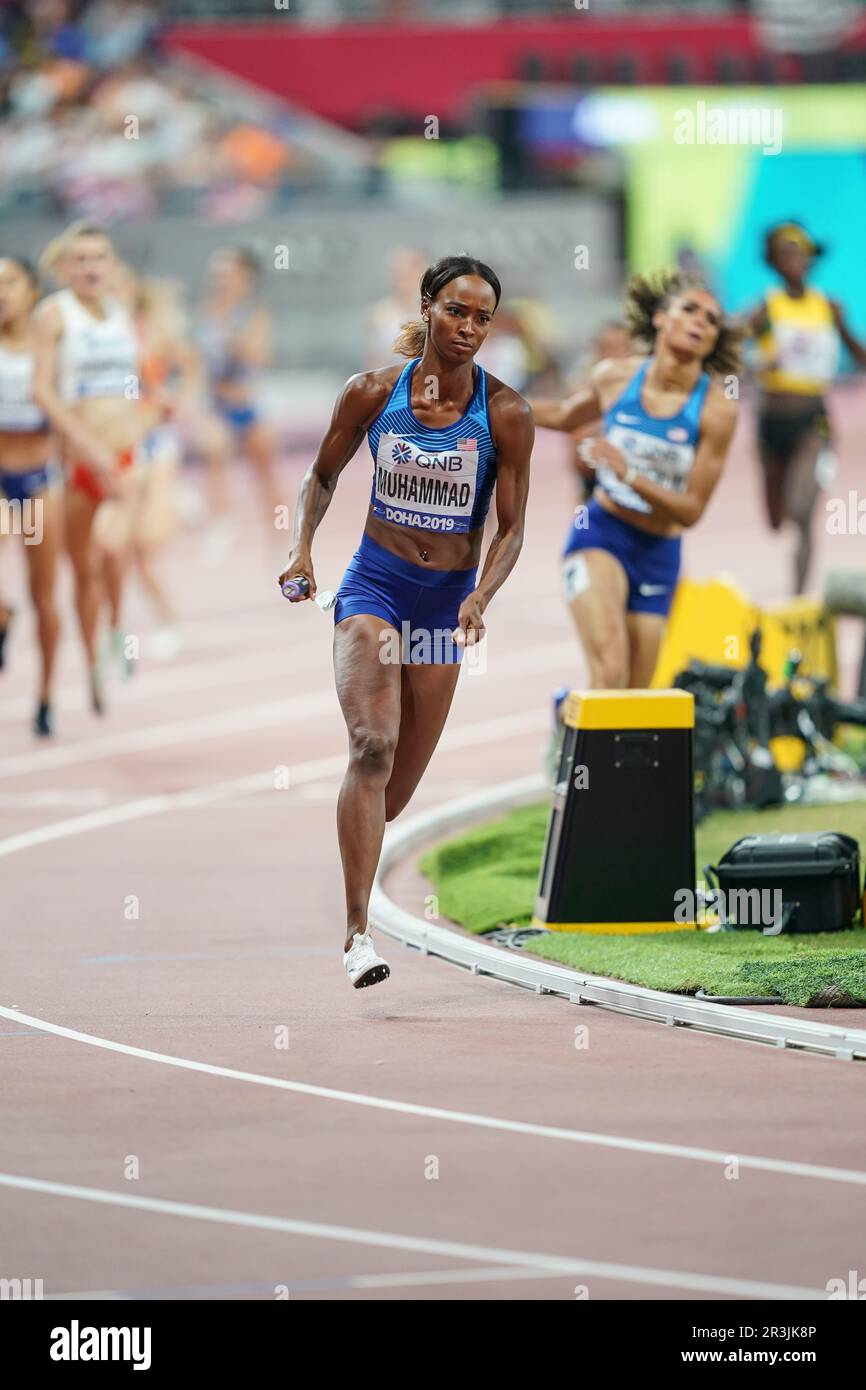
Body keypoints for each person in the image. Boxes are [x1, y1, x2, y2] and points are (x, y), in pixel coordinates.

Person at [279, 254, 533, 989]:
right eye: (457, 311)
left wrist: (482, 594)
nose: (469, 328)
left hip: (443, 606)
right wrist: (301, 549)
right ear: (427, 307)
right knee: (369, 747)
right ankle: (357, 934)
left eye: (483, 317)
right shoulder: (370, 394)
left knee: (393, 794)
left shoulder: (506, 412)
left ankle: (353, 845)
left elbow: (513, 528)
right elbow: (322, 475)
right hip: (375, 588)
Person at [530, 270, 739, 700]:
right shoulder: (614, 377)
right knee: (610, 670)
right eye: (690, 310)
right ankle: (580, 766)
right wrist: (480, 395)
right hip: (601, 532)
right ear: (661, 318)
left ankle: (566, 720)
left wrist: (628, 473)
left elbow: (691, 510)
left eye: (712, 320)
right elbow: (565, 414)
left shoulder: (716, 411)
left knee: (634, 697)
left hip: (660, 552)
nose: (700, 322)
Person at [33, 220, 145, 711]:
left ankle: (118, 628)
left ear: (112, 265)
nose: (90, 267)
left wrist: (139, 429)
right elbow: (42, 390)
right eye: (79, 259)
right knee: (81, 570)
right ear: (63, 268)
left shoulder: (121, 310)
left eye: (98, 257)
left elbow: (140, 381)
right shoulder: (54, 316)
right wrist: (85, 446)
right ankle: (93, 665)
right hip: (77, 462)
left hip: (123, 457)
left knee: (109, 549)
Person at [745, 221, 866, 594]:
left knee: (802, 510)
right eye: (786, 254)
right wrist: (757, 364)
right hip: (770, 422)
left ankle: (798, 597)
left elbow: (861, 358)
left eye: (800, 253)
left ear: (811, 260)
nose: (795, 260)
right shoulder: (766, 308)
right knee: (776, 519)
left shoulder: (827, 307)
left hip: (813, 421)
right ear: (773, 262)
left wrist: (843, 324)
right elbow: (728, 352)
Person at [0, 255, 63, 735]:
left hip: (40, 480)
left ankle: (44, 694)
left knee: (44, 594)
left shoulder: (51, 345)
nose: (2, 293)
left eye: (10, 283)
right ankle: (3, 611)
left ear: (31, 290)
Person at [195, 242, 280, 556]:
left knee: (265, 471)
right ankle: (221, 521)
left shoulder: (255, 314)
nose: (220, 279)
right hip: (216, 403)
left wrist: (232, 332)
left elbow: (260, 356)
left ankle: (281, 536)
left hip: (250, 404)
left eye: (227, 272)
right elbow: (197, 358)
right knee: (215, 454)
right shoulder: (206, 310)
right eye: (217, 273)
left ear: (244, 277)